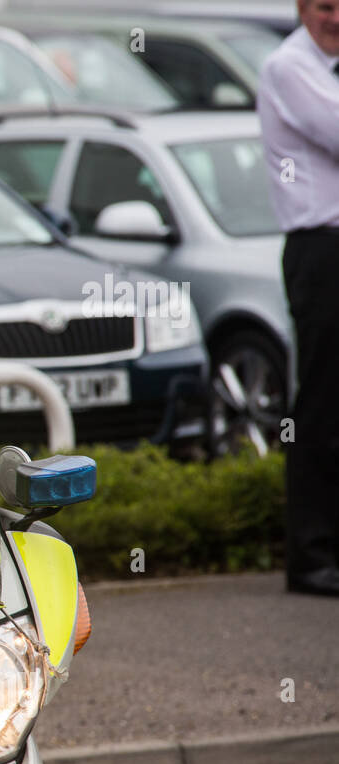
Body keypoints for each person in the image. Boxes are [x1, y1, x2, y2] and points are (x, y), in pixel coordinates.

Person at [257, 0, 339, 596]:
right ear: (301, 11)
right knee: (321, 403)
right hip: (322, 250)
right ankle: (310, 559)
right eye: (323, 7)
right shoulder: (290, 66)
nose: (333, 18)